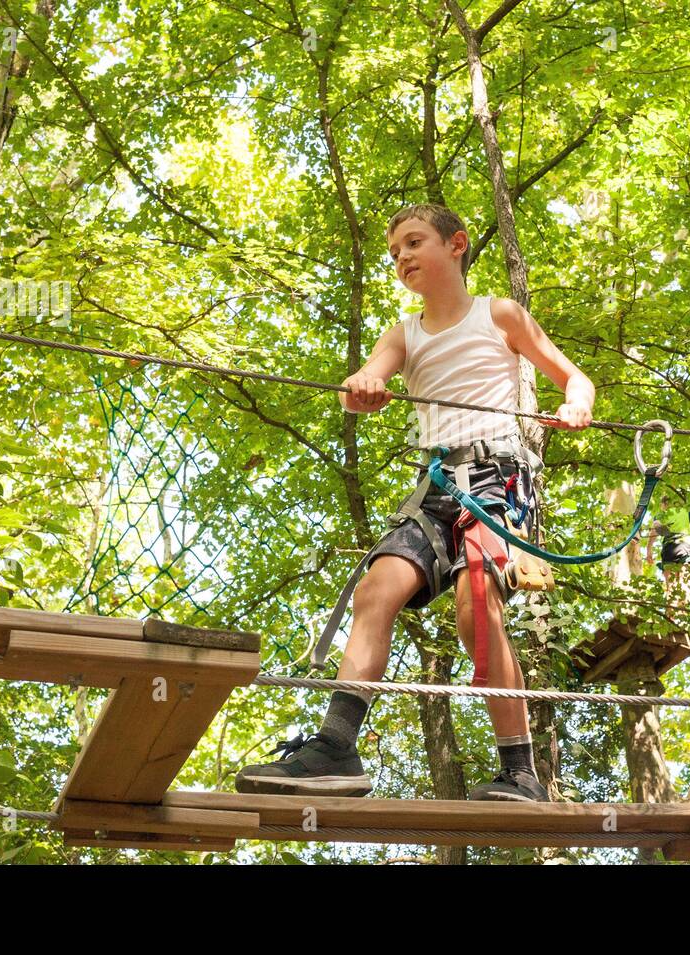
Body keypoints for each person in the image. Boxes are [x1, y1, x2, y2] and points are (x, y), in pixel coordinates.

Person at [234, 202, 595, 802]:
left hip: (495, 478)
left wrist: (577, 405)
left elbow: (572, 377)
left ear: (456, 245)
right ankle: (337, 749)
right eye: (394, 251)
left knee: (476, 609)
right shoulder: (402, 333)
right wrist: (364, 390)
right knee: (376, 590)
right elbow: (364, 381)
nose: (402, 256)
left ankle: (521, 770)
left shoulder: (497, 314)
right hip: (435, 486)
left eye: (413, 242)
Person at [644, 494, 690, 612]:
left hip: (669, 549)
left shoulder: (661, 515)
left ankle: (670, 620)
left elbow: (655, 528)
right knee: (685, 588)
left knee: (671, 589)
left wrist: (649, 551)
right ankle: (680, 621)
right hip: (686, 547)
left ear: (664, 504)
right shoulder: (685, 512)